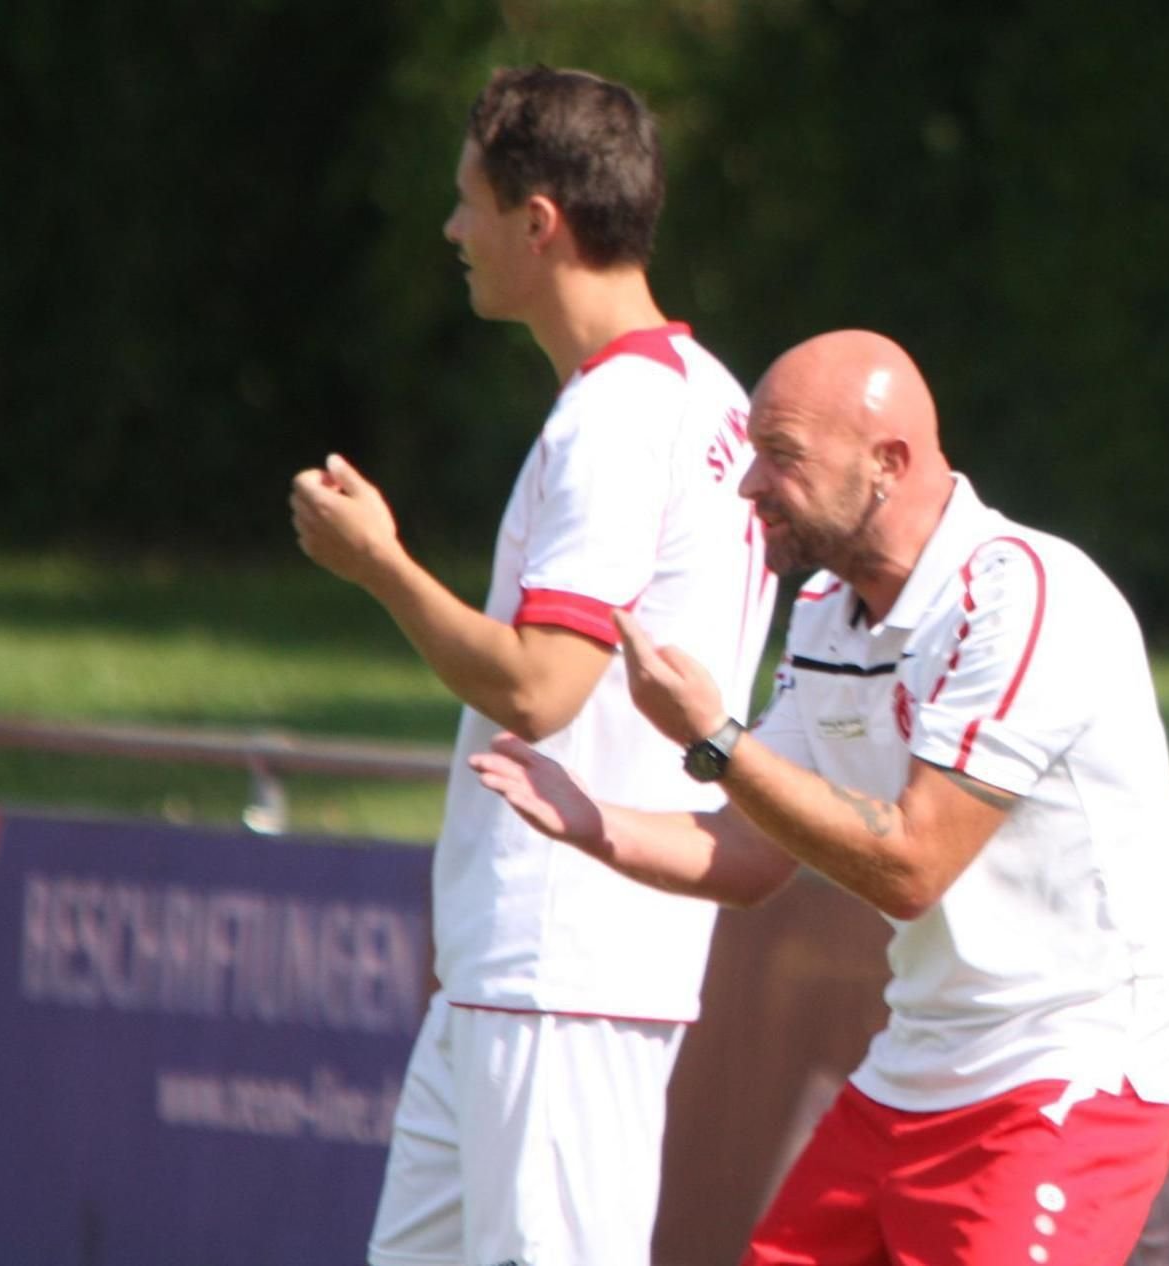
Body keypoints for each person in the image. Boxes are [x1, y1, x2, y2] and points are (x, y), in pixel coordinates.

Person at [472, 328, 1169, 1266]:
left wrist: (713, 736)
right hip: (914, 1067)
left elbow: (912, 868)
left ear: (888, 463)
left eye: (781, 456)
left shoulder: (1022, 596)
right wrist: (594, 823)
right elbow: (752, 853)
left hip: (1068, 1075)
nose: (749, 486)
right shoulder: (824, 612)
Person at [289, 66, 774, 1266]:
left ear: (539, 220)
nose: (453, 228)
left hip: (563, 959)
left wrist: (380, 565)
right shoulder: (702, 394)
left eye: (470, 201)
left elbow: (538, 689)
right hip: (530, 968)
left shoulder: (615, 418)